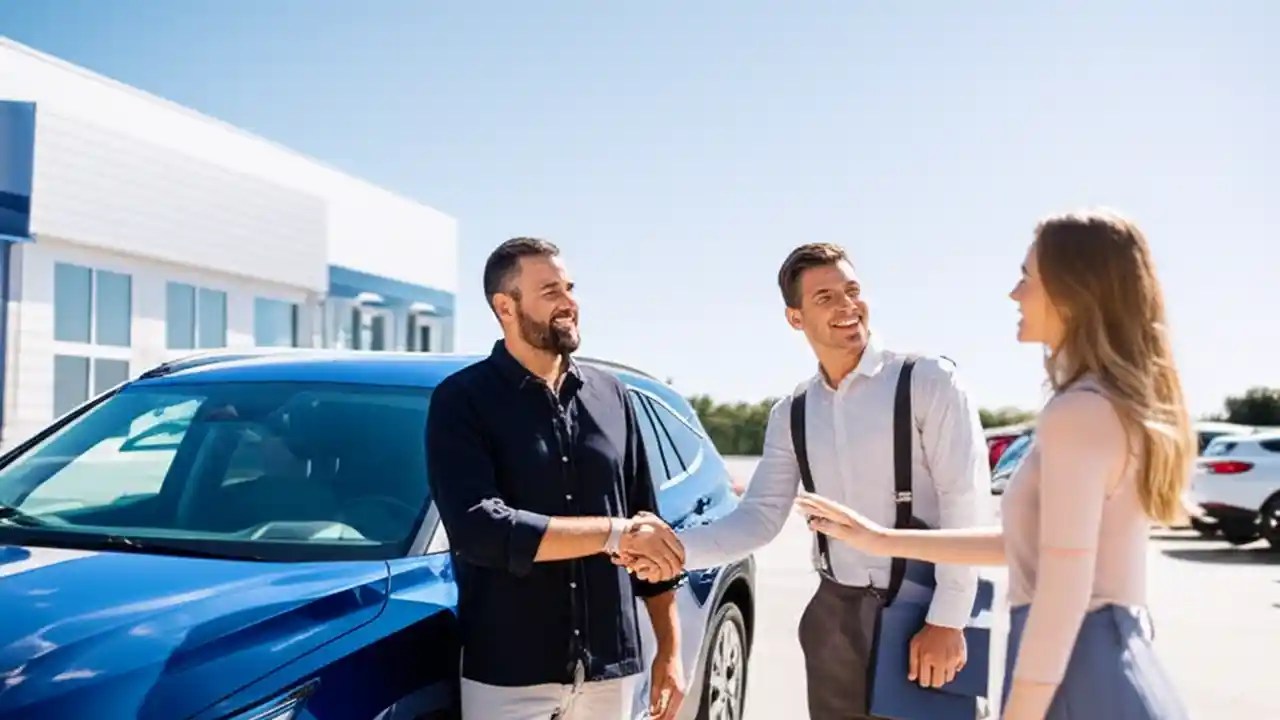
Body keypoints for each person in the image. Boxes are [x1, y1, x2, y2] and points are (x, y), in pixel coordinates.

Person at [798, 209, 1193, 720]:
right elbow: (1036, 548)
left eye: (1028, 277)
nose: (1015, 293)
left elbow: (1061, 592)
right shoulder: (1103, 404)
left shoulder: (1079, 413)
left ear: (1073, 290)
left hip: (1076, 676)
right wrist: (880, 540)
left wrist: (1021, 711)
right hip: (1097, 666)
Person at [630, 242, 990, 719]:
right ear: (795, 318)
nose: (846, 306)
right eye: (825, 297)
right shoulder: (793, 412)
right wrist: (671, 546)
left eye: (852, 290)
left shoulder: (927, 381)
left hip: (921, 609)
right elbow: (758, 519)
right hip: (835, 615)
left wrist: (949, 619)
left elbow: (965, 502)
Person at [426, 237, 687, 720]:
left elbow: (649, 527)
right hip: (508, 673)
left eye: (569, 287)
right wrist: (612, 533)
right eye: (550, 291)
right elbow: (480, 529)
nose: (569, 303)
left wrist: (669, 651)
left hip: (612, 669)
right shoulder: (461, 401)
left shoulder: (614, 397)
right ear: (505, 306)